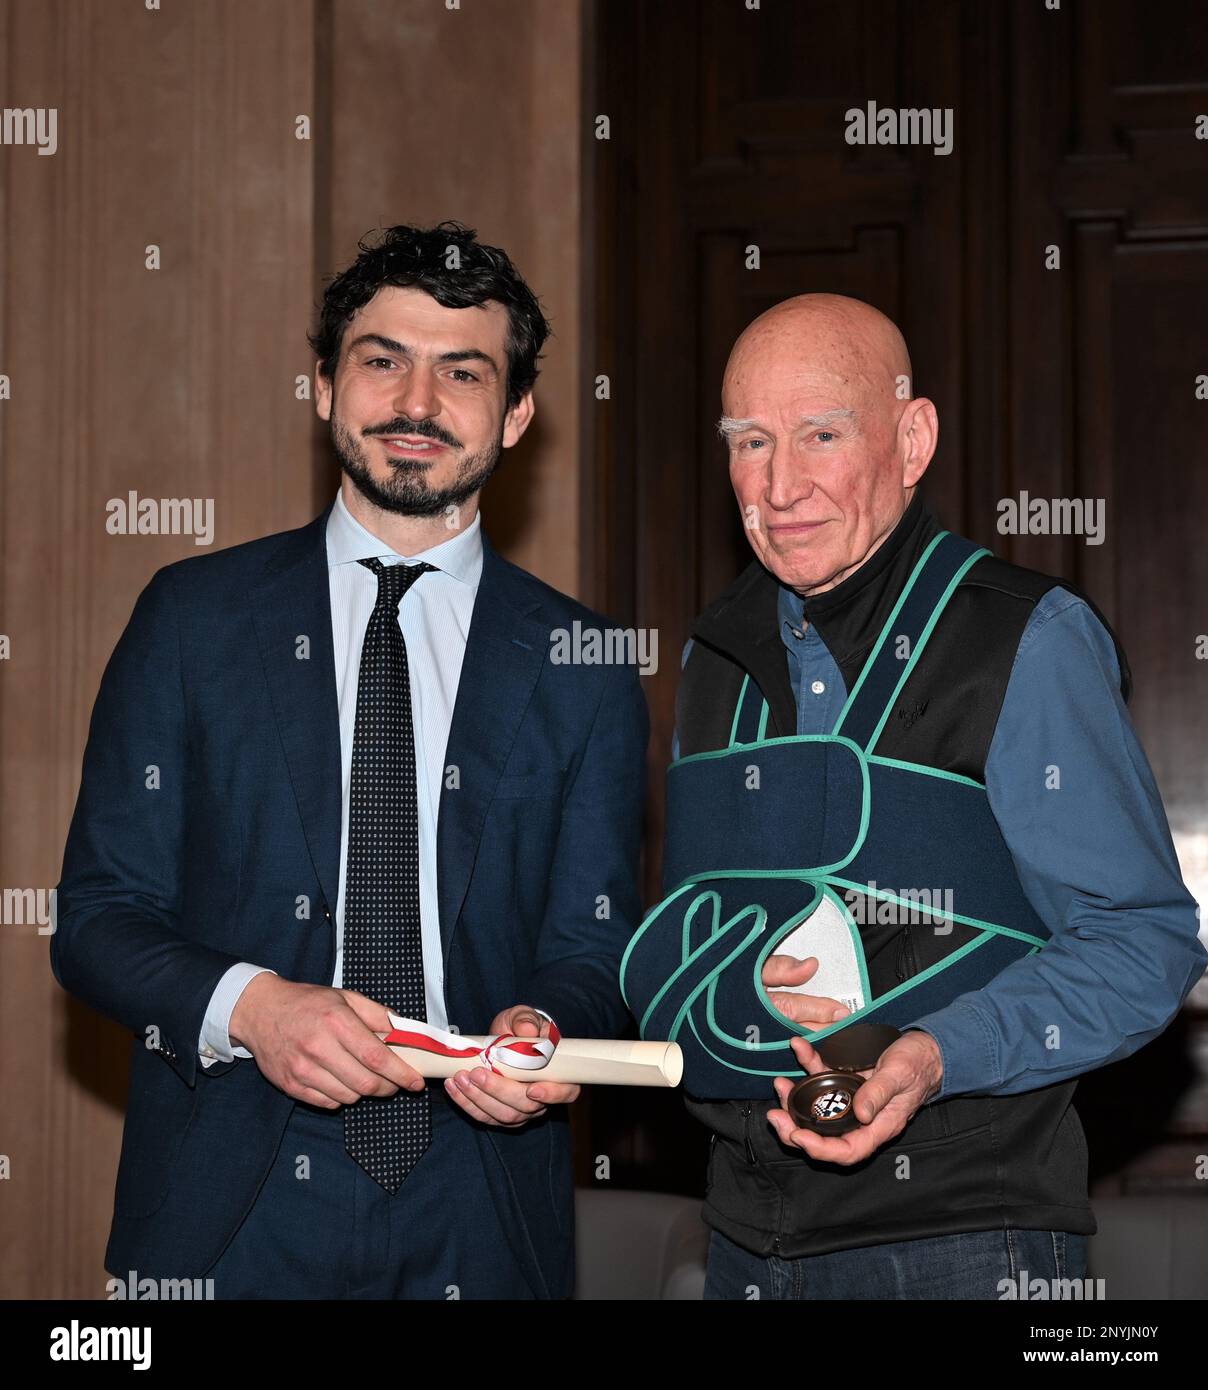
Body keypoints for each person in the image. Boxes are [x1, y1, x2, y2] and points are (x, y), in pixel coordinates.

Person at [51, 221, 648, 1300]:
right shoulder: (193, 620)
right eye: (381, 360)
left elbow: (594, 948)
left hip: (483, 1203)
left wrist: (548, 1027)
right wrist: (254, 1007)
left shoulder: (584, 663)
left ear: (514, 413)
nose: (416, 402)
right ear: (323, 384)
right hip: (225, 1198)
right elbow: (97, 920)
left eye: (460, 371)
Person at [623, 292, 1206, 1300]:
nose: (778, 482)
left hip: (963, 1240)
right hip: (738, 1234)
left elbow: (1142, 941)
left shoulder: (1028, 639)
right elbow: (706, 935)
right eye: (748, 441)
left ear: (911, 437)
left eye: (819, 434)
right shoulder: (711, 656)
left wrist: (935, 1053)